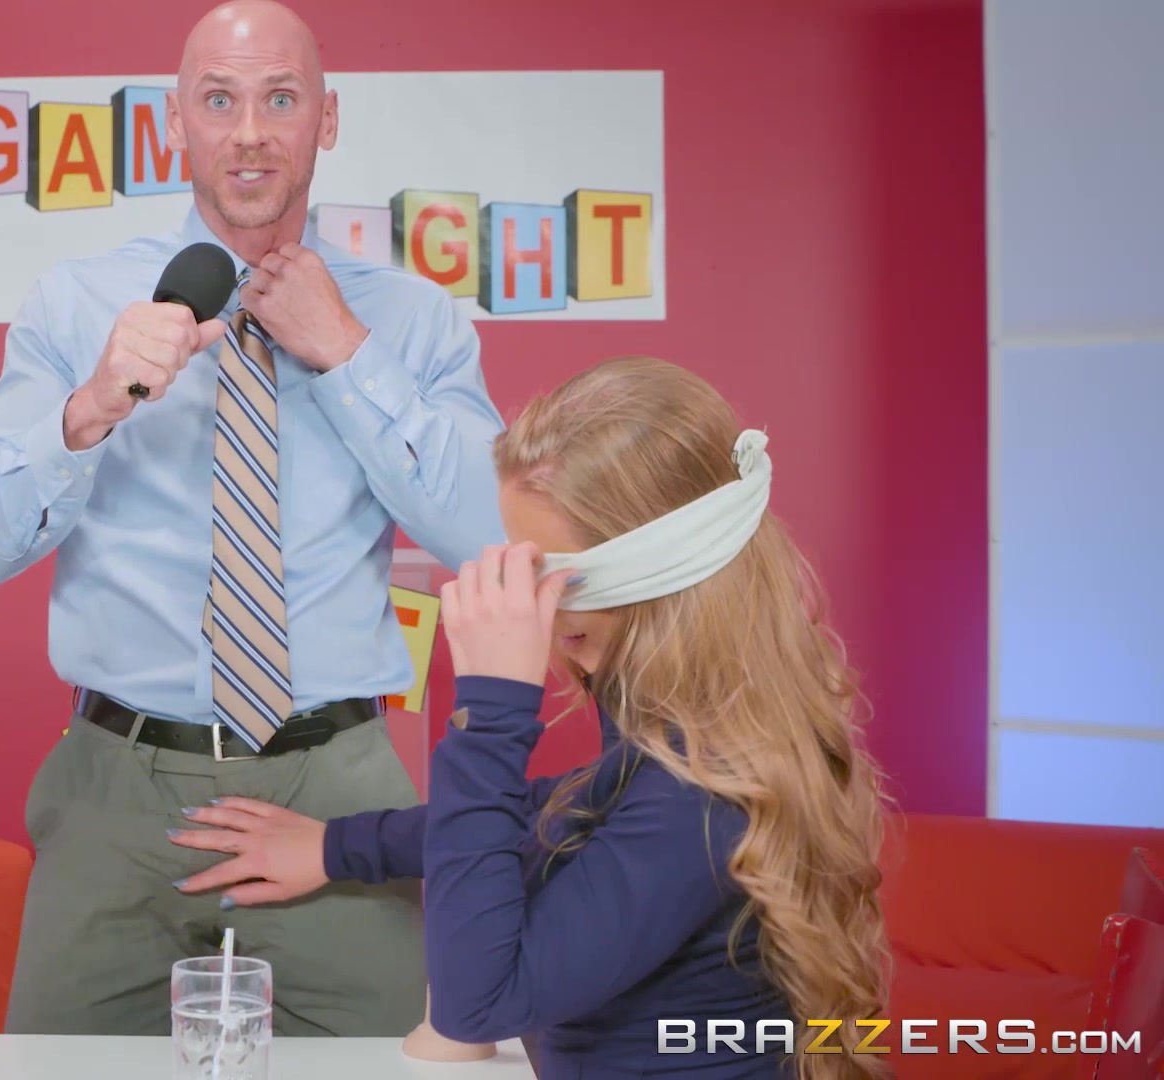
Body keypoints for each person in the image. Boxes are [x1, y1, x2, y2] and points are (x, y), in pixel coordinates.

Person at [0, 0, 506, 1038]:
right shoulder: (76, 304)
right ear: (175, 122)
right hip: (117, 785)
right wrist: (90, 407)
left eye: (280, 99)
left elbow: (486, 534)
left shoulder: (411, 318)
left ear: (326, 120)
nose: (249, 132)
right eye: (218, 100)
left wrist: (348, 354)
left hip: (336, 786)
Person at [169, 356, 893, 1077]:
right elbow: (571, 814)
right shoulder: (697, 731)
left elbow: (477, 1004)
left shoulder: (702, 794)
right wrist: (339, 846)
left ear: (663, 573)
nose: (535, 608)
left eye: (556, 576)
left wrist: (491, 710)